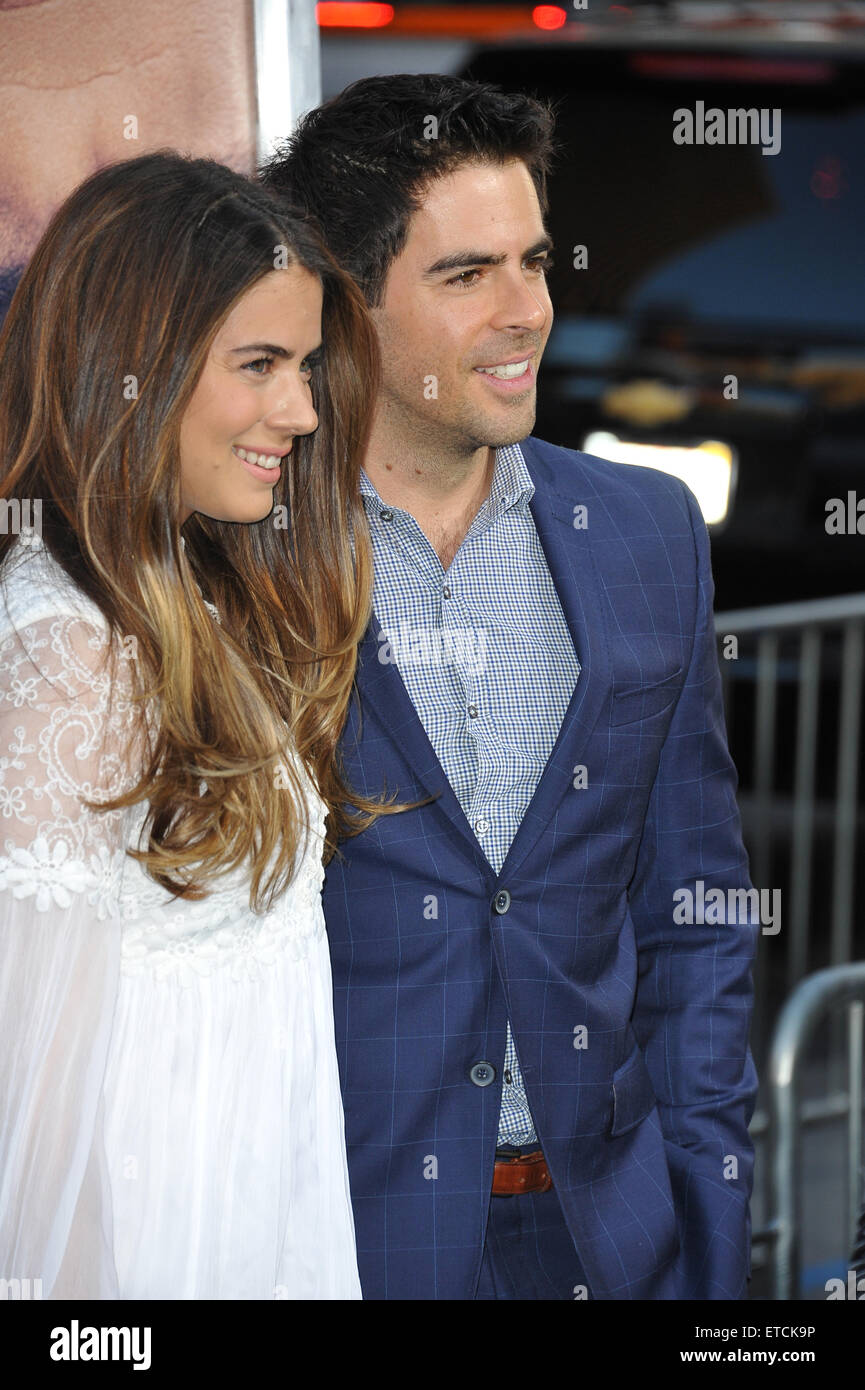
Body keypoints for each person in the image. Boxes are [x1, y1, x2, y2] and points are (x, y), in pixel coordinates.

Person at [261, 73, 761, 1301]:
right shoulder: (245, 553)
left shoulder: (643, 533)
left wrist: (705, 1200)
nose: (527, 310)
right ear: (346, 305)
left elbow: (695, 908)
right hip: (342, 1243)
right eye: (466, 274)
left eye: (533, 262)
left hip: (611, 1240)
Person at [0, 150, 396, 1299]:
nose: (304, 411)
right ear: (131, 364)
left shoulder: (192, 591)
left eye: (307, 366)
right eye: (260, 364)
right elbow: (34, 1134)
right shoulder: (65, 656)